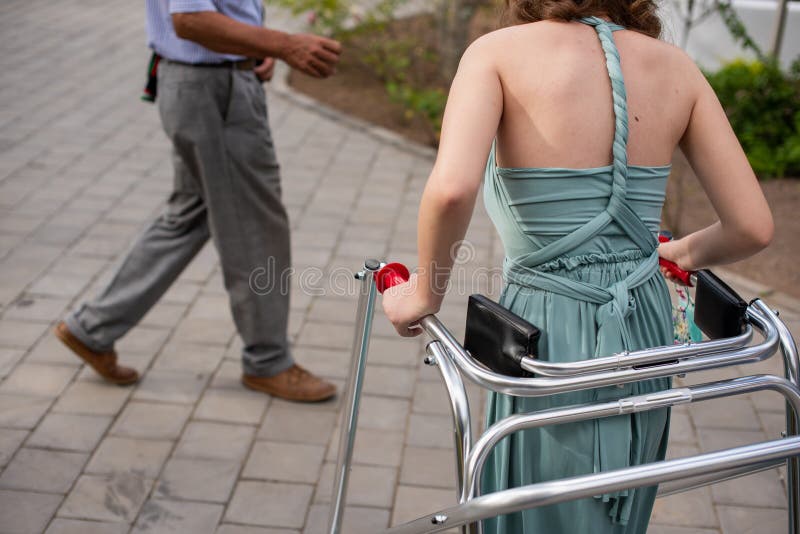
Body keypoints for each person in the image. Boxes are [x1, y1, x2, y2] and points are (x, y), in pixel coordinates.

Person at [381, 0, 773, 531]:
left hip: (548, 318)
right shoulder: (676, 67)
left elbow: (451, 190)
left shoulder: (497, 54)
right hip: (645, 319)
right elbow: (752, 226)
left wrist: (425, 293)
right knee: (619, 499)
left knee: (541, 503)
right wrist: (682, 254)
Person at [55, 0, 343, 402]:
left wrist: (256, 47)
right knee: (255, 228)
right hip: (213, 92)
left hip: (209, 84)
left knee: (189, 216)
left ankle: (92, 328)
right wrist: (284, 44)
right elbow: (190, 20)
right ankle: (269, 361)